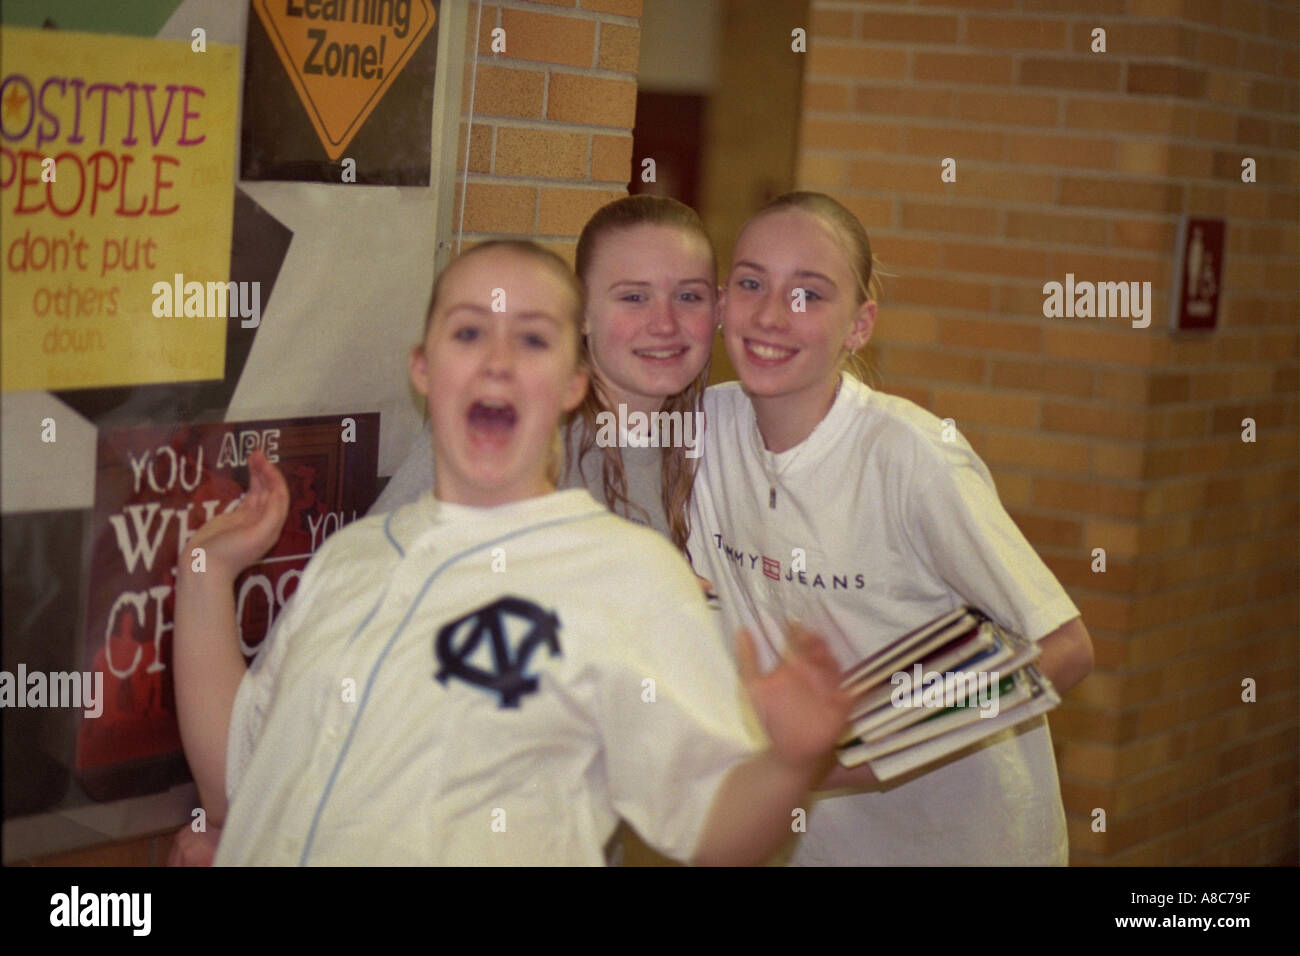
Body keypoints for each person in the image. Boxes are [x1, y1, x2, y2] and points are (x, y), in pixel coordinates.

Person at [174, 239, 850, 865]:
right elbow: (238, 787)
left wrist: (789, 766)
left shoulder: (630, 576)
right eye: (469, 333)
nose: (498, 360)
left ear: (571, 383)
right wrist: (207, 574)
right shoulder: (349, 563)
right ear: (423, 367)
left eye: (531, 339)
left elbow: (708, 824)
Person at [687, 192, 1095, 866]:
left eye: (809, 295)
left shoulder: (913, 456)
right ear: (724, 299)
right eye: (753, 283)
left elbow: (1065, 648)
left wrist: (848, 756)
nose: (769, 314)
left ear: (860, 324)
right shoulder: (704, 428)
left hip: (968, 846)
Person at [373, 196, 717, 555]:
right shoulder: (508, 424)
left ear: (718, 306)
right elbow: (373, 570)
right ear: (580, 311)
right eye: (633, 297)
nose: (664, 323)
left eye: (688, 296)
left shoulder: (714, 437)